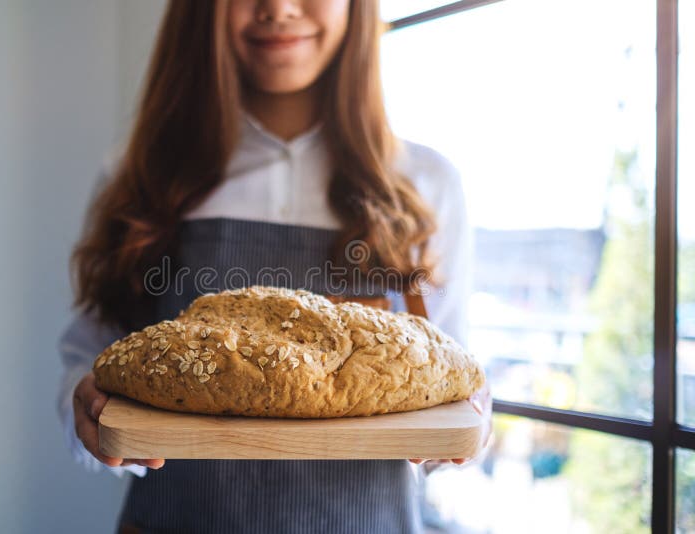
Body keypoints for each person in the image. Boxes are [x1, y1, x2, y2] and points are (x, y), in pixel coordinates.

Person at [57, 0, 492, 532]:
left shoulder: (425, 185)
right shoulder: (140, 174)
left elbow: (453, 383)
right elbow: (88, 360)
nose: (278, 8)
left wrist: (465, 435)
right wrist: (85, 410)